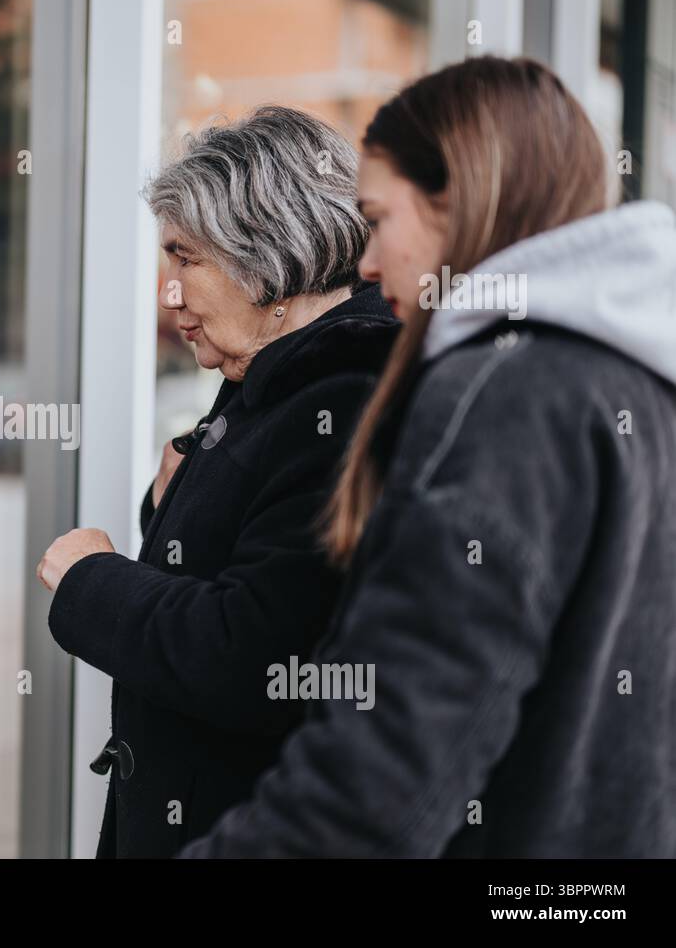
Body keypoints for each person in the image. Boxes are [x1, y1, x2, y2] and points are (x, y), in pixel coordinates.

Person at [182, 57, 676, 858]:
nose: (367, 265)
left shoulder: (502, 394)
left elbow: (379, 779)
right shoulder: (636, 378)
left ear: (463, 200)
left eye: (378, 220)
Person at [36, 106, 400, 857]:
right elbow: (225, 552)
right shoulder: (274, 369)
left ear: (264, 251)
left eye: (185, 259)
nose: (169, 294)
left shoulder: (341, 396)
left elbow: (259, 657)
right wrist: (168, 500)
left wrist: (91, 582)